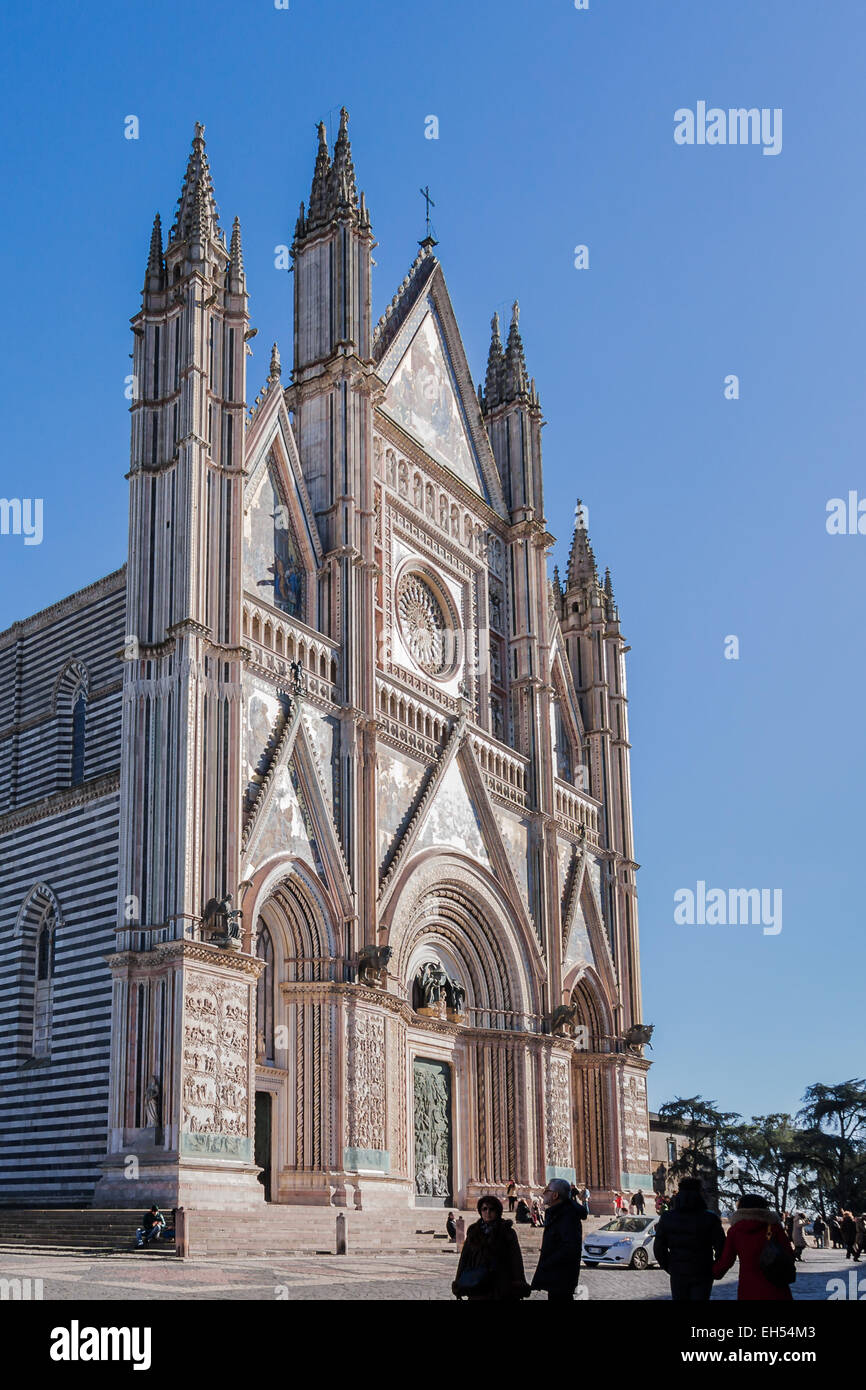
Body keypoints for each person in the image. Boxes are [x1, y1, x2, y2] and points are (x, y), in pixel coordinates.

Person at [652, 1177, 725, 1301]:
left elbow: (659, 1248)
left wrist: (670, 1267)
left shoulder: (667, 1217)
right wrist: (714, 1268)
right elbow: (721, 1247)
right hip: (703, 1270)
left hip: (678, 1271)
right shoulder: (710, 1218)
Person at [712, 1194, 795, 1301]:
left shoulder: (735, 1231)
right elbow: (789, 1255)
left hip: (748, 1286)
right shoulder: (774, 1227)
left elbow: (726, 1260)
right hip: (775, 1284)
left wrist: (713, 1273)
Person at [451, 1195, 530, 1301]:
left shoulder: (507, 1232)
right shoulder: (474, 1231)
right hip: (478, 1286)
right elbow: (464, 1258)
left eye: (491, 1209)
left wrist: (519, 1283)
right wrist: (458, 1282)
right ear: (480, 1211)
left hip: (501, 1286)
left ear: (497, 1211)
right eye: (484, 1209)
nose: (488, 1212)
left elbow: (516, 1259)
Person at [530, 1178, 588, 1302]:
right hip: (557, 1275)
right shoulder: (558, 1213)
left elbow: (570, 1247)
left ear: (555, 1195)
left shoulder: (567, 1215)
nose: (544, 1193)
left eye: (547, 1190)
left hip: (561, 1275)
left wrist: (549, 1262)